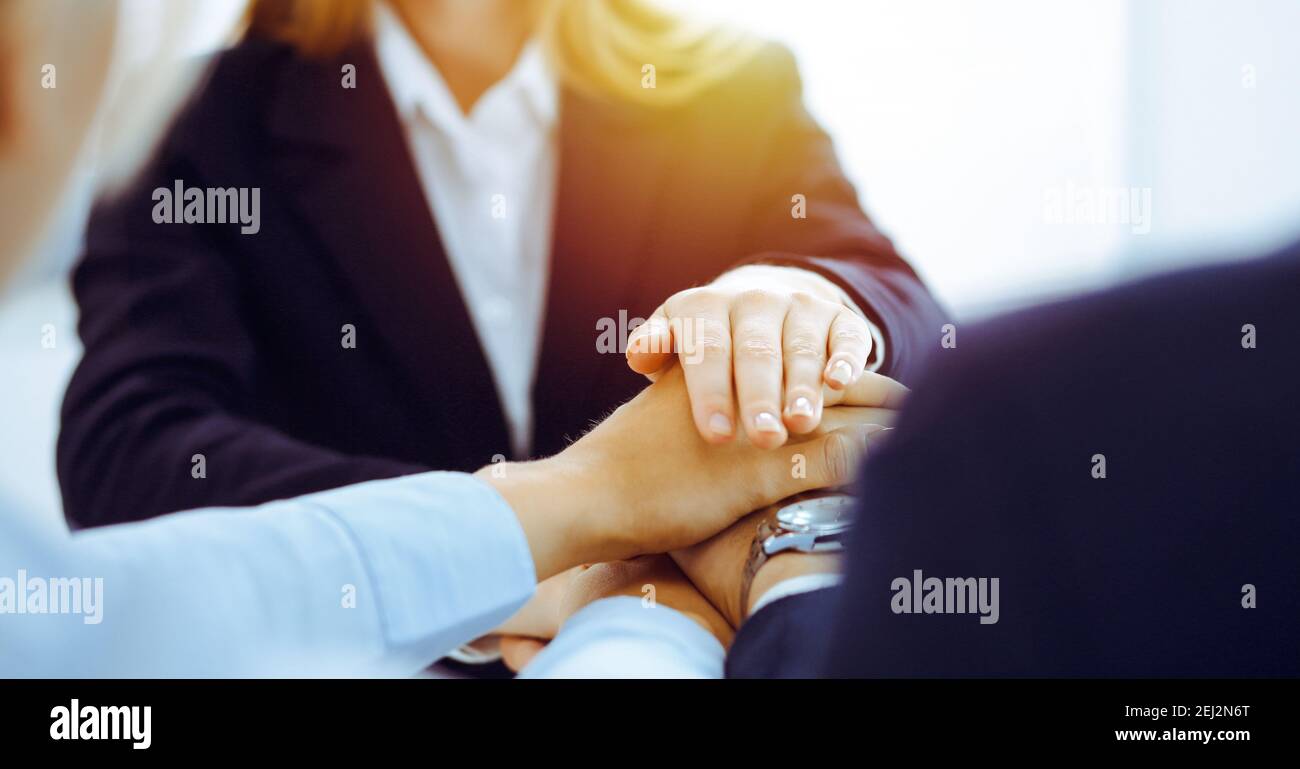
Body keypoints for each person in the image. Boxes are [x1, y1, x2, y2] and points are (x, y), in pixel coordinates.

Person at [0, 0, 902, 677]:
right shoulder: (196, 116)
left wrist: (798, 296)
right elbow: (132, 451)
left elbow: (899, 306)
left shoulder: (730, 82)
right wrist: (523, 552)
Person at [506, 240, 1300, 678]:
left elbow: (881, 275)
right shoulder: (1046, 412)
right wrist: (574, 510)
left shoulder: (721, 78)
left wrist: (790, 305)